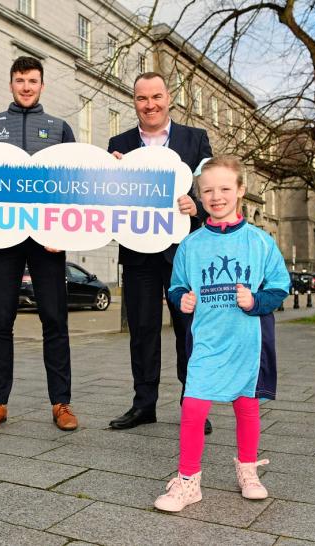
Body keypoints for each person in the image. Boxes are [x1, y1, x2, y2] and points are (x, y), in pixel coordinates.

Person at [154, 156, 289, 512]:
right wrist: (181, 299)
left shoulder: (260, 242)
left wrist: (256, 300)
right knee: (194, 408)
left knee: (246, 406)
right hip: (206, 344)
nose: (217, 196)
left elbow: (279, 287)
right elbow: (176, 287)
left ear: (240, 191)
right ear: (199, 195)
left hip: (247, 343)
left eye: (225, 189)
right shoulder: (191, 244)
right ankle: (188, 481)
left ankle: (248, 471)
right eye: (208, 190)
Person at [0, 56, 79, 432]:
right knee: (1, 318)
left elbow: (72, 187)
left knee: (55, 318)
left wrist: (63, 235)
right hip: (3, 239)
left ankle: (61, 403)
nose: (27, 87)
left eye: (33, 80)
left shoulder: (60, 128)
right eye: (20, 80)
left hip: (48, 239)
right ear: (11, 83)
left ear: (42, 85)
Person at [107, 72, 213, 432]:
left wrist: (195, 205)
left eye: (156, 97)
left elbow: (213, 189)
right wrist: (111, 176)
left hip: (184, 254)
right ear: (133, 101)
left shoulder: (195, 140)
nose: (149, 105)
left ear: (169, 98)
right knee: (142, 329)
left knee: (189, 328)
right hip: (137, 255)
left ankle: (194, 404)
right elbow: (105, 201)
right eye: (141, 98)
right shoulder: (117, 145)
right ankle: (144, 404)